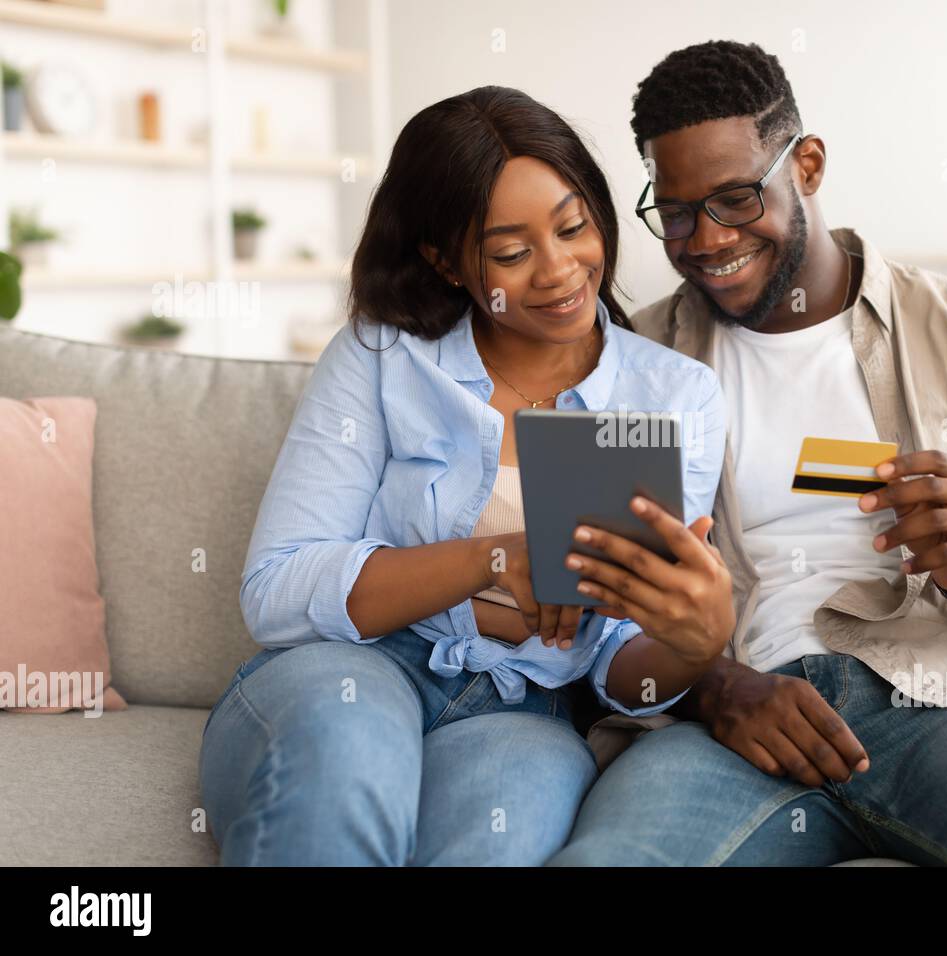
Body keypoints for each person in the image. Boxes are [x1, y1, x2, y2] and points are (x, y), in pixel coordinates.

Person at [547, 41, 947, 866]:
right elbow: (583, 634)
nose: (706, 240)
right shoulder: (628, 367)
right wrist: (717, 688)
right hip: (724, 728)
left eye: (735, 198)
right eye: (677, 212)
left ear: (810, 165)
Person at [198, 86, 731, 866]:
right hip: (355, 668)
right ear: (444, 260)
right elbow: (276, 591)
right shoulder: (383, 355)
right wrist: (496, 560)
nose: (559, 271)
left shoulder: (675, 396)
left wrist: (695, 639)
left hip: (525, 711)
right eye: (512, 253)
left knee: (499, 837)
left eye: (574, 227)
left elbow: (622, 666)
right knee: (344, 759)